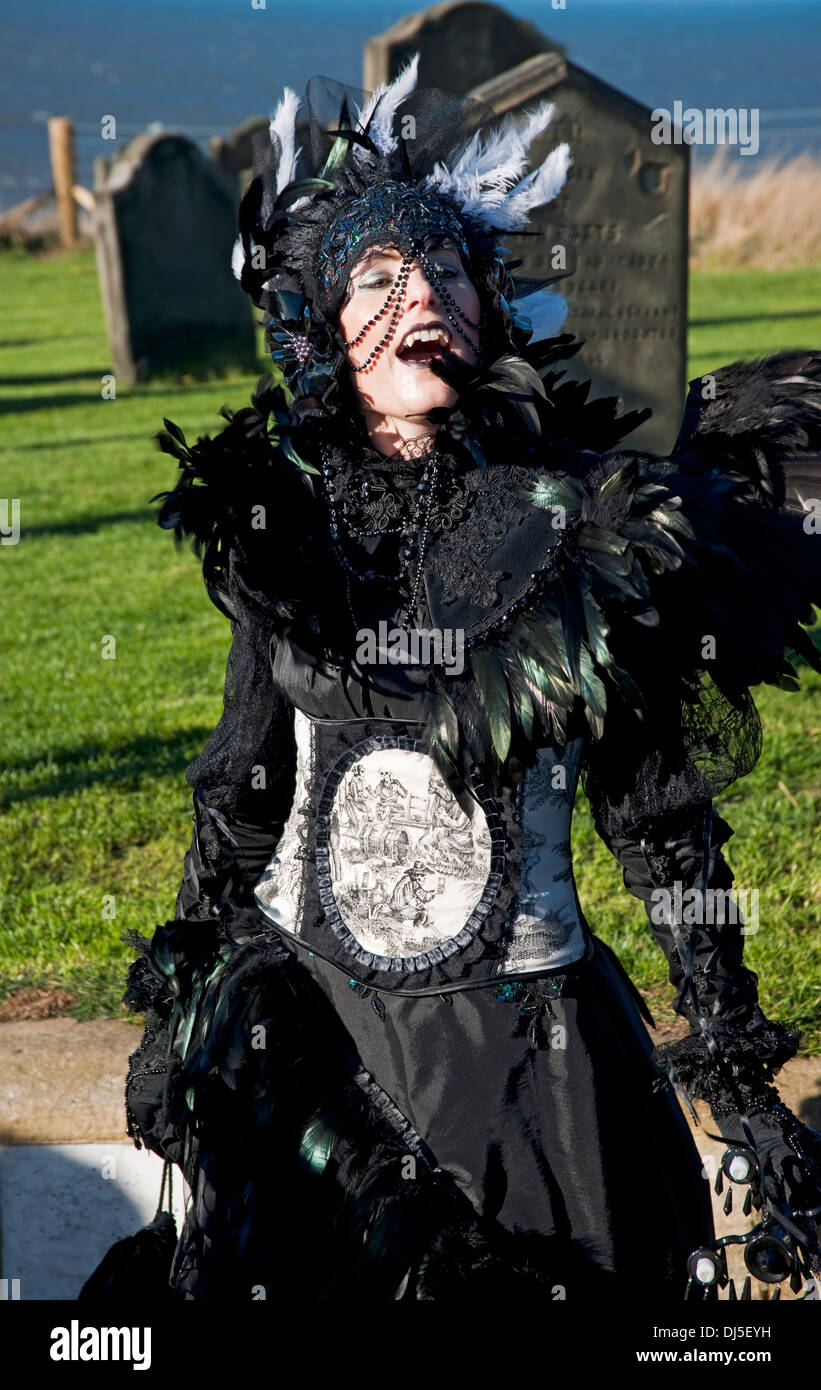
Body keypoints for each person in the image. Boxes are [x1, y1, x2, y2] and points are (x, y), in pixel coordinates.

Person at [118, 60, 821, 1303]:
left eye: (443, 273)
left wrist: (734, 1065)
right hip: (321, 1044)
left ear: (487, 314)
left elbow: (657, 821)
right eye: (377, 279)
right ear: (324, 329)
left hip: (529, 1062)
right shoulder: (278, 527)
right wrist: (182, 1002)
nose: (418, 300)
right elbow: (242, 788)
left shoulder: (585, 531)